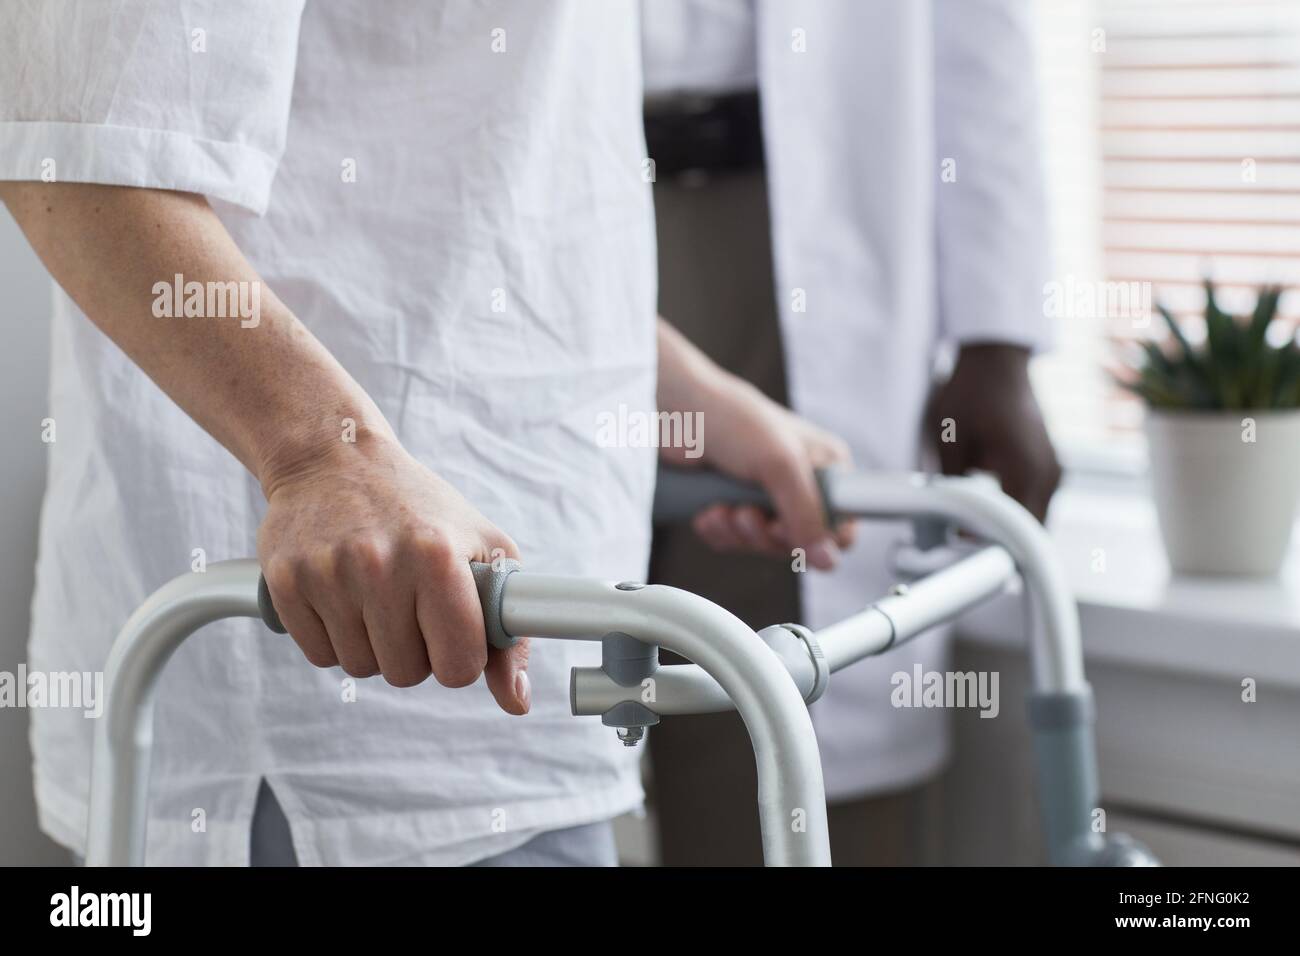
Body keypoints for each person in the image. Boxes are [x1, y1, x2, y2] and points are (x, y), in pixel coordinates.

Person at [0, 0, 844, 866]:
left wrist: (685, 395)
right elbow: (77, 153)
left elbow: (468, 163)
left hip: (530, 670)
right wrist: (321, 455)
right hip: (317, 739)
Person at [642, 0, 1062, 865]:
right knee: (520, 725)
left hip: (792, 210)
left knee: (765, 755)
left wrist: (999, 337)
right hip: (538, 190)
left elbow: (979, 30)